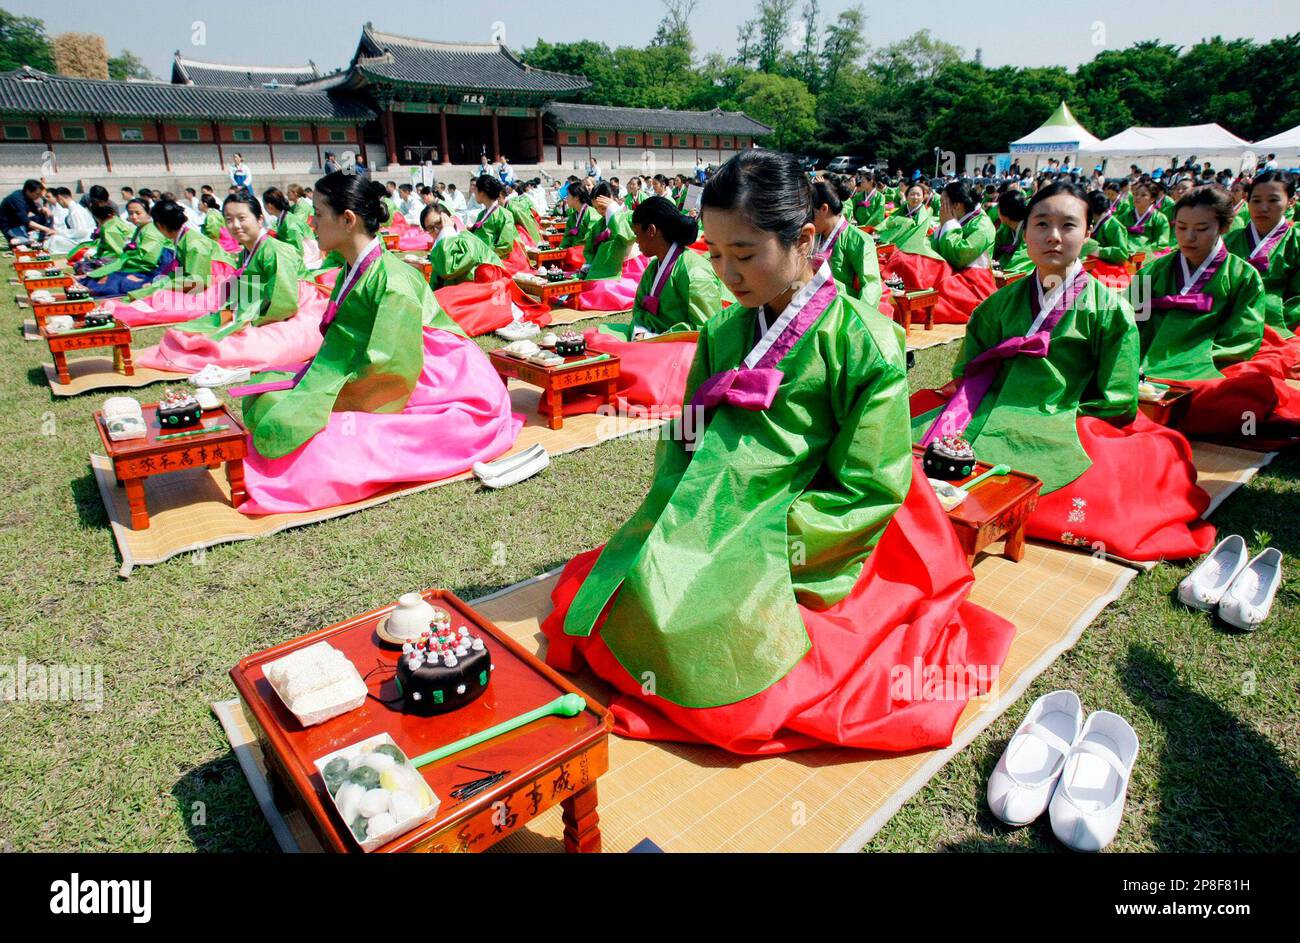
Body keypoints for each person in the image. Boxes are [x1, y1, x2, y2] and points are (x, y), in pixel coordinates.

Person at [539, 149, 1014, 754]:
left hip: (798, 513)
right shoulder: (723, 330)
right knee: (633, 589)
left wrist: (768, 546)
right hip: (709, 500)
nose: (728, 275)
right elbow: (685, 434)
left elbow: (868, 483)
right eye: (714, 255)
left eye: (744, 255)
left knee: (721, 632)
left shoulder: (865, 340)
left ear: (804, 240)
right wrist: (675, 510)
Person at [910, 180, 1214, 560]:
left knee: (1107, 492)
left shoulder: (1111, 309)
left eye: (1068, 225)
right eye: (1041, 224)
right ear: (1026, 232)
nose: (1053, 236)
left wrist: (1066, 417)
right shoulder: (999, 303)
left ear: (1088, 232)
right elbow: (968, 369)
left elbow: (1116, 400)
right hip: (993, 406)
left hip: (1063, 417)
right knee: (910, 444)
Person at [227, 172, 519, 514]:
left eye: (319, 214)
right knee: (267, 392)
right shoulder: (356, 267)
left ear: (347, 219)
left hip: (430, 377)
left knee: (315, 436)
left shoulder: (391, 280)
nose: (311, 223)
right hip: (371, 366)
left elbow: (392, 367)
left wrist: (328, 399)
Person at [1137, 184, 1300, 447]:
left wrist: (1195, 363)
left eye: (1201, 229)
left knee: (1245, 390)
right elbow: (1130, 325)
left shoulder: (1243, 275)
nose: (1189, 237)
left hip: (1206, 365)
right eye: (1181, 227)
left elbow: (1242, 337)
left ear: (1223, 227)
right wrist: (1134, 363)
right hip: (1146, 364)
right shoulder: (1151, 271)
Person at [135, 191, 330, 373]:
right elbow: (249, 293)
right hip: (262, 309)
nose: (235, 225)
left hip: (300, 310)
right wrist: (236, 316)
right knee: (200, 328)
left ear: (260, 218)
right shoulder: (248, 251)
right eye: (229, 220)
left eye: (242, 218)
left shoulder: (275, 250)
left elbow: (285, 302)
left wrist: (251, 321)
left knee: (248, 348)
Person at [100, 199, 236, 327]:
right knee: (156, 292)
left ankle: (126, 310)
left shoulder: (194, 244)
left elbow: (199, 282)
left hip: (215, 283)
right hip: (199, 279)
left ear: (159, 225)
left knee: (164, 299)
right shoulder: (184, 238)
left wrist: (162, 286)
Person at [420, 204, 549, 337]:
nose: (436, 230)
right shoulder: (443, 241)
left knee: (445, 306)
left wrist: (446, 231)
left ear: (450, 219)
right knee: (434, 303)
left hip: (489, 291)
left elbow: (449, 268)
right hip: (466, 291)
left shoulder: (465, 240)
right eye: (430, 228)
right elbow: (437, 279)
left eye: (438, 224)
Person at [1224, 170, 1299, 340]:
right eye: (1256, 200)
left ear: (1291, 202)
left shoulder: (1296, 242)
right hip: (1225, 315)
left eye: (1273, 200)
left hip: (1272, 321)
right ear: (1247, 200)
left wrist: (1283, 324)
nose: (1262, 208)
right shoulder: (1229, 240)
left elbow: (1298, 298)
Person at [811, 175, 883, 307]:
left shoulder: (858, 239)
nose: (806, 220)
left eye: (809, 214)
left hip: (841, 306)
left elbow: (871, 285)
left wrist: (859, 319)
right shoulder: (813, 235)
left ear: (824, 209)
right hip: (812, 300)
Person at [77, 197, 169, 296]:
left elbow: (147, 259)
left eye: (138, 213)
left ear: (148, 213)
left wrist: (124, 261)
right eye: (130, 213)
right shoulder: (142, 228)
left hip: (151, 270)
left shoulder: (151, 231)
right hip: (131, 262)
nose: (134, 217)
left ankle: (92, 288)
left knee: (116, 279)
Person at [467, 174, 529, 272]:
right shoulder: (481, 214)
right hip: (480, 257)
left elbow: (505, 246)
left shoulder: (505, 215)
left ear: (482, 193)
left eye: (475, 190)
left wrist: (483, 256)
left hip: (495, 260)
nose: (473, 193)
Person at [72, 201, 133, 273]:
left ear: (96, 217)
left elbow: (118, 251)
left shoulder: (108, 229)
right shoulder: (117, 220)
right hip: (126, 255)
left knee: (79, 266)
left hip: (122, 259)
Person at [1118, 179, 1174, 256]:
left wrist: (1144, 252)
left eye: (1143, 195)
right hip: (1125, 252)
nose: (1137, 197)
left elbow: (1161, 242)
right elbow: (1116, 233)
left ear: (1152, 199)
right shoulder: (1126, 215)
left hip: (1147, 256)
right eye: (1136, 194)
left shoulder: (1160, 218)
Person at [262, 187, 317, 262]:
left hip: (308, 257)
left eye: (264, 204)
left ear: (269, 206)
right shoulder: (283, 217)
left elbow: (298, 250)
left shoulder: (289, 222)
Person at [991, 189, 1033, 275]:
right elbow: (994, 247)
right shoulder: (1006, 227)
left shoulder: (1030, 231)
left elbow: (1019, 264)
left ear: (1004, 214)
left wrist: (1001, 273)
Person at [1, 179, 54, 244]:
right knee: (24, 241)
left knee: (46, 216)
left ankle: (43, 238)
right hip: (11, 226)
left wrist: (43, 209)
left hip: (21, 224)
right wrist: (47, 229)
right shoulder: (17, 199)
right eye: (37, 194)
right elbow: (27, 222)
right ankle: (16, 238)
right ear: (28, 191)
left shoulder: (28, 197)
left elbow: (36, 210)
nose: (38, 197)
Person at [45, 187, 96, 255]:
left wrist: (59, 232)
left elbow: (81, 232)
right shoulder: (75, 209)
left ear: (60, 198)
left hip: (85, 241)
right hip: (81, 238)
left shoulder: (76, 211)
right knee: (53, 239)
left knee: (54, 240)